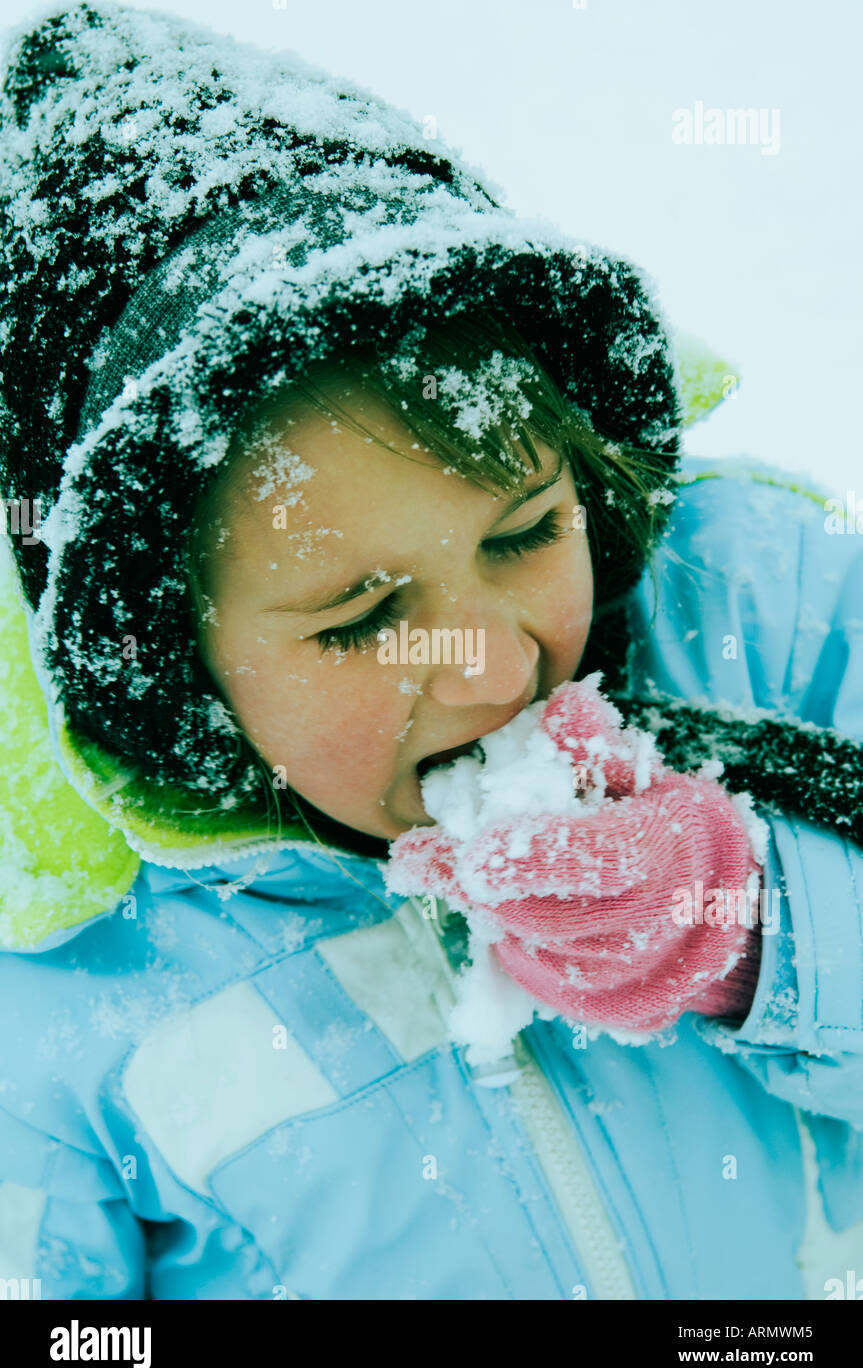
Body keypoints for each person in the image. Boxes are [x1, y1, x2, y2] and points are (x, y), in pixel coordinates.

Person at [0, 0, 861, 1301]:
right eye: (358, 618)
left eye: (524, 533)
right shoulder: (64, 982)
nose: (494, 669)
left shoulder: (762, 613)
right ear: (171, 655)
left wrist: (750, 926)